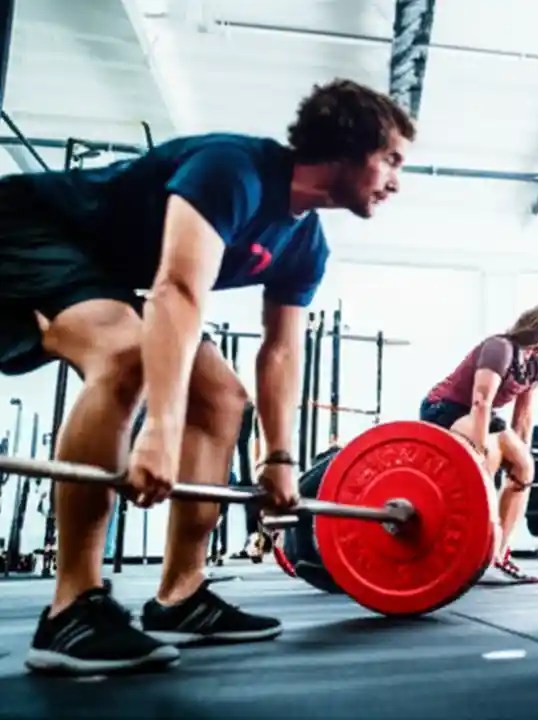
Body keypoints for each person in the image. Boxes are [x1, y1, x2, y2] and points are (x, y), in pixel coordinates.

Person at [0, 78, 415, 675]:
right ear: (347, 147)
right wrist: (160, 429)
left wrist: (279, 457)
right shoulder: (235, 169)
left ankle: (181, 596)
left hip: (110, 273)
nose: (398, 180)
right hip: (30, 229)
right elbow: (177, 288)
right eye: (392, 159)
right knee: (126, 356)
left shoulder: (306, 242)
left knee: (223, 398)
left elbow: (279, 353)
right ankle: (71, 609)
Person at [419, 304, 538, 583]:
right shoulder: (500, 348)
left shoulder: (535, 366)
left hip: (482, 415)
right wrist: (481, 450)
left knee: (524, 468)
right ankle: (468, 551)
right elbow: (481, 401)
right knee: (487, 464)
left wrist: (521, 455)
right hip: (444, 408)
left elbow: (523, 415)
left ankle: (499, 552)